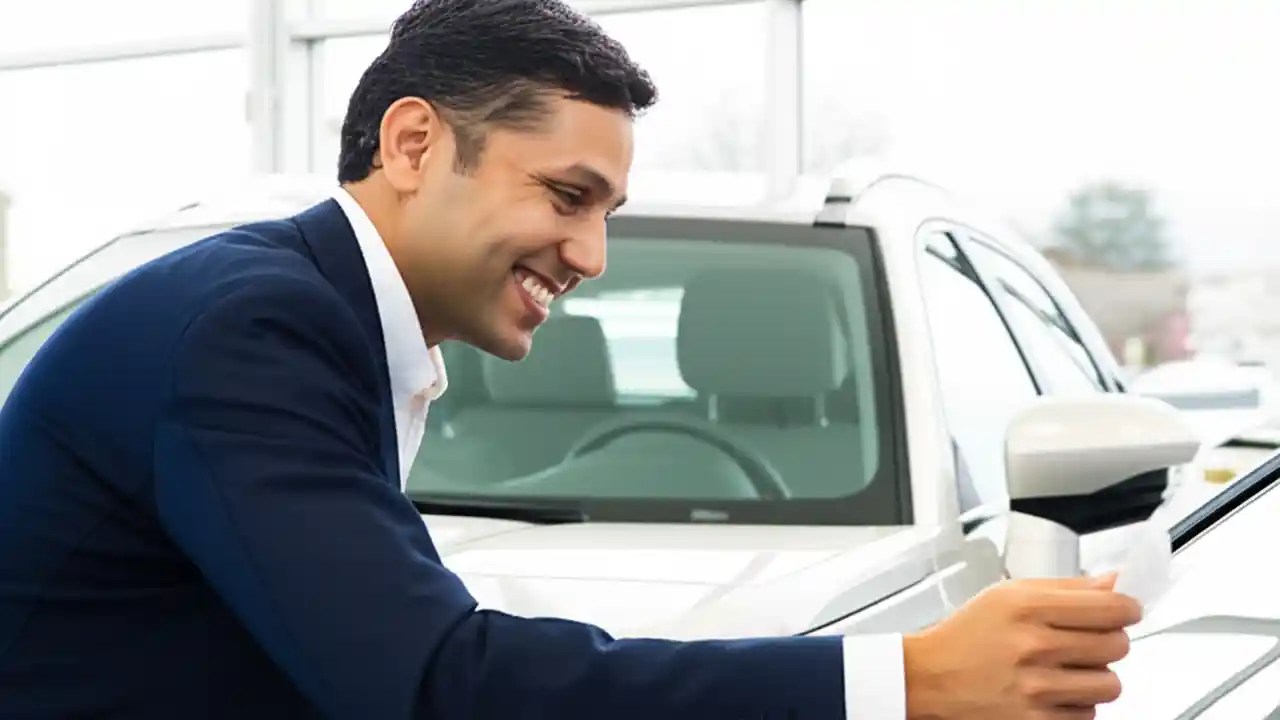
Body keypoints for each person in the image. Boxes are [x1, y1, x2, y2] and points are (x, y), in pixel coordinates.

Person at [0, 1, 1141, 717]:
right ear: (412, 144)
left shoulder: (298, 309)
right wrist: (911, 678)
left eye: (607, 210)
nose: (592, 254)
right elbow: (436, 683)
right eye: (565, 195)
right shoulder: (253, 332)